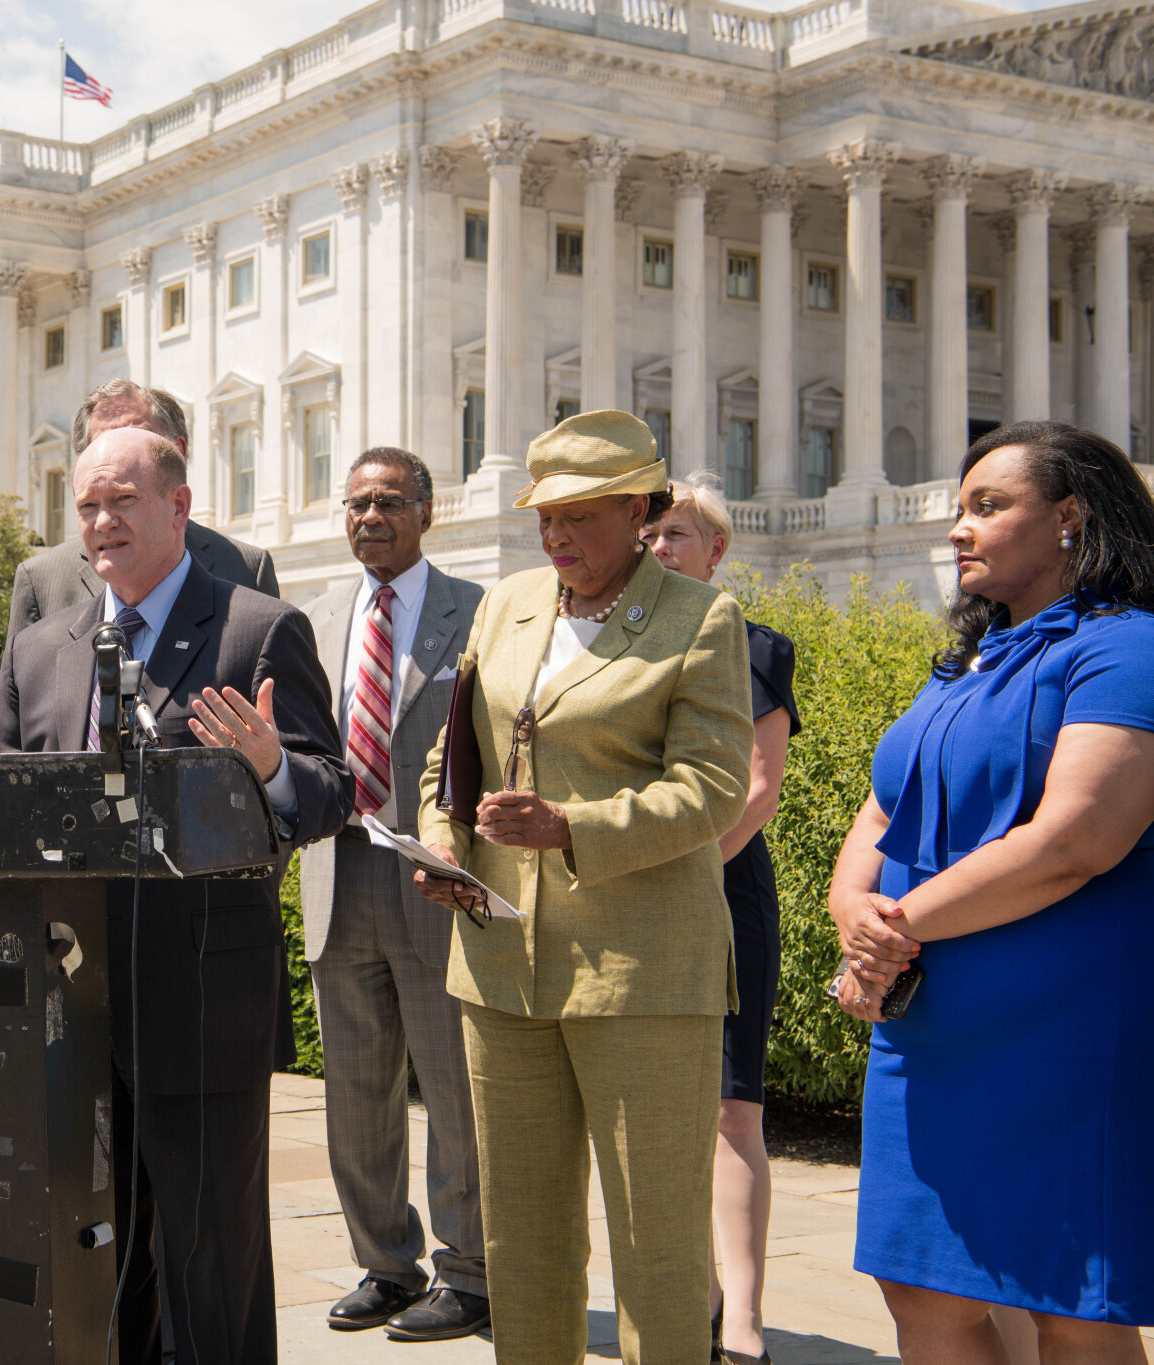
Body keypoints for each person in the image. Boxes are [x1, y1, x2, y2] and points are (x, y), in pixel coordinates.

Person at [0, 425, 351, 1364]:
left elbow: (330, 794)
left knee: (208, 1261)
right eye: (86, 507)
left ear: (178, 505)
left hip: (203, 1002)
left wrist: (272, 768)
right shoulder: (37, 651)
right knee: (99, 1265)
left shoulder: (257, 628)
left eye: (122, 501)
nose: (101, 523)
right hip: (71, 1007)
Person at [413, 408, 753, 1365]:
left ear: (643, 511)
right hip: (499, 968)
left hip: (642, 971)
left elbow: (713, 787)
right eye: (544, 518)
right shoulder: (506, 603)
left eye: (581, 516)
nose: (557, 536)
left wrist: (574, 828)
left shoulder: (701, 617)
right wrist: (445, 849)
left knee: (657, 1248)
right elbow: (456, 758)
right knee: (520, 1241)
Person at [829, 420, 1154, 1364]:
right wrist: (858, 915)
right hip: (928, 1023)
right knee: (920, 1283)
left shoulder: (1126, 648)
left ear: (1069, 517)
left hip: (1062, 1019)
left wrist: (893, 930)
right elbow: (881, 812)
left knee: (1070, 1298)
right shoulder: (967, 660)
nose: (958, 528)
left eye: (987, 506)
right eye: (958, 509)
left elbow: (1077, 839)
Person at [296, 448, 491, 1341]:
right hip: (339, 873)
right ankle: (386, 1265)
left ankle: (473, 1270)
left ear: (426, 510)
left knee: (455, 1089)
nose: (369, 516)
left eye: (387, 502)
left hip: (434, 876)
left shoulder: (478, 612)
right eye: (356, 503)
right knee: (357, 1092)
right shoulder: (316, 617)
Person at [644, 473, 800, 1365]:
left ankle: (742, 1312)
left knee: (733, 1110)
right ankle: (692, 1291)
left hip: (722, 889)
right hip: (643, 890)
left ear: (717, 549)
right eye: (653, 534)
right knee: (667, 1109)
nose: (662, 547)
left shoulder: (753, 645)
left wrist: (680, 867)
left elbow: (758, 787)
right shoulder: (626, 641)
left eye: (678, 533)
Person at [8, 379, 278, 626]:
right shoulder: (40, 581)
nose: (121, 454)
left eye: (138, 438)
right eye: (105, 444)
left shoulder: (246, 568)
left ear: (178, 453)